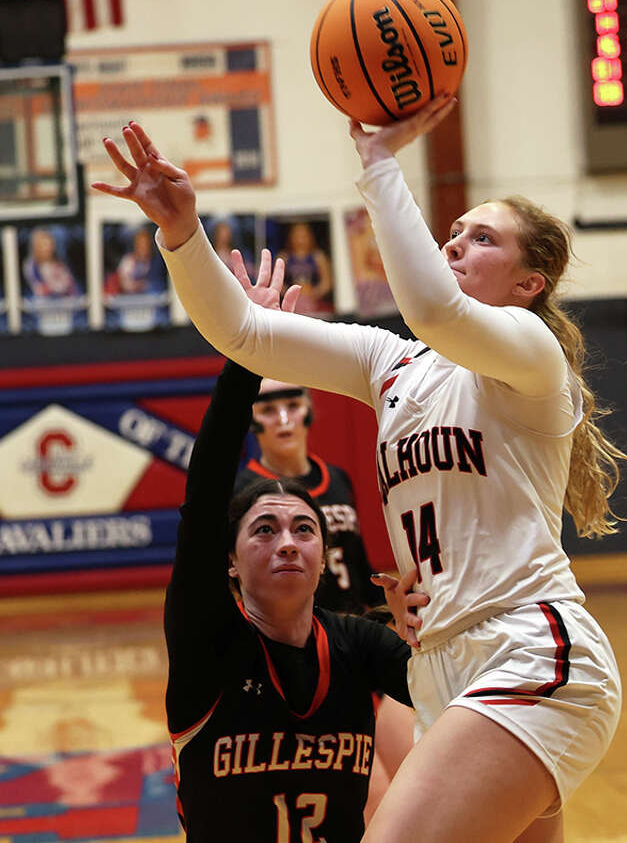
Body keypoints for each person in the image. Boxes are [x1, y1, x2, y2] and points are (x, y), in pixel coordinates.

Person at [95, 101, 627, 842]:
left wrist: (380, 160)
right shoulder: (394, 365)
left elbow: (433, 308)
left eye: (482, 237)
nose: (455, 243)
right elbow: (245, 333)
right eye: (453, 232)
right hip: (442, 667)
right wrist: (179, 233)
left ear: (529, 283)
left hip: (528, 653)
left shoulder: (533, 358)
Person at [162, 268, 422, 842]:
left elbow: (458, 697)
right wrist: (247, 347)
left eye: (304, 529)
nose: (286, 541)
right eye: (263, 531)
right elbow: (204, 494)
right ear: (228, 560)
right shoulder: (207, 643)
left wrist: (430, 634)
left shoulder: (360, 645)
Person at [236, 379, 382, 615]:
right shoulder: (242, 491)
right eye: (268, 410)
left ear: (309, 412)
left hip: (352, 627)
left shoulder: (336, 478)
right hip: (293, 630)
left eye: (293, 405)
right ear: (252, 421)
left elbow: (359, 563)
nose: (283, 420)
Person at [278, 220, 333, 316]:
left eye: (303, 236)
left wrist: (313, 293)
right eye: (297, 236)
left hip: (314, 304)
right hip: (291, 304)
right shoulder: (284, 257)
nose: (300, 240)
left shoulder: (318, 257)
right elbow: (277, 284)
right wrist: (291, 293)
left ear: (310, 237)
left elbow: (327, 283)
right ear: (291, 238)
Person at [23, 227, 79, 299]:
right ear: (37, 246)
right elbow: (39, 289)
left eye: (50, 244)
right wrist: (55, 287)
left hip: (65, 303)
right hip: (43, 305)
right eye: (44, 245)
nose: (48, 248)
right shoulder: (31, 265)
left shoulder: (59, 262)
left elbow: (69, 283)